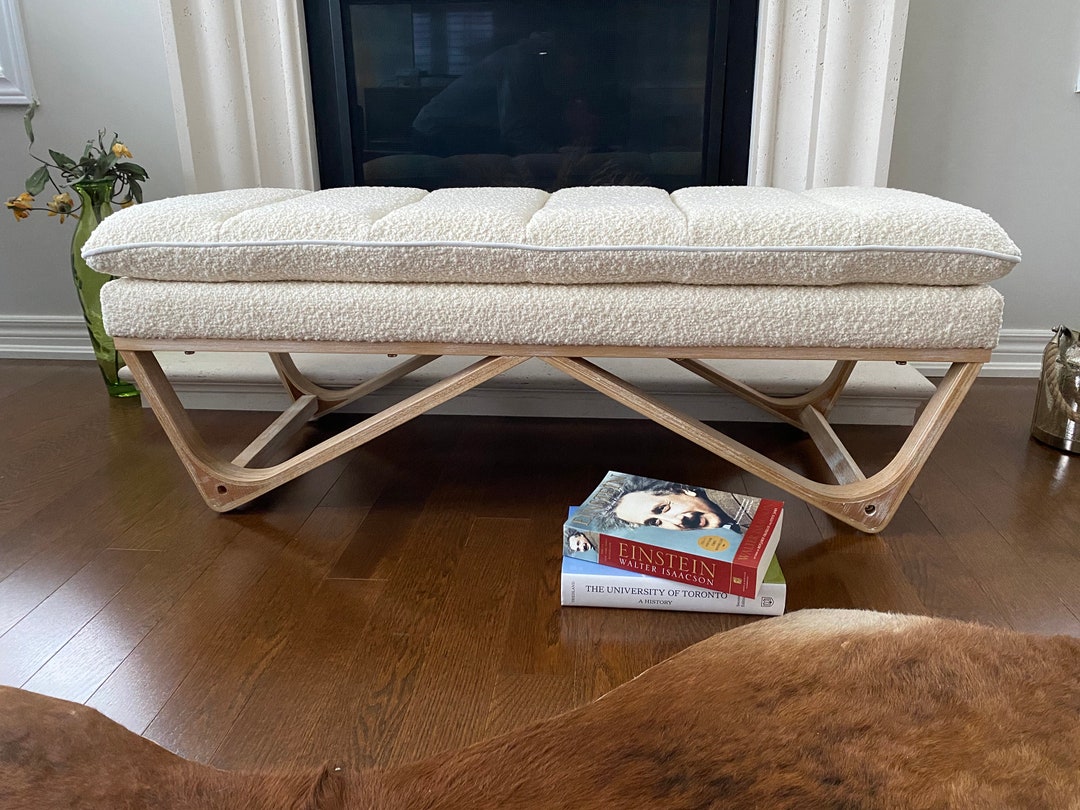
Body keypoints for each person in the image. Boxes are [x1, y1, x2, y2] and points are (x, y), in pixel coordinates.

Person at [591, 474, 751, 533]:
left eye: (663, 508)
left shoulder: (747, 504)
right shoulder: (737, 524)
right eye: (655, 522)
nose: (677, 522)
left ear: (683, 490)